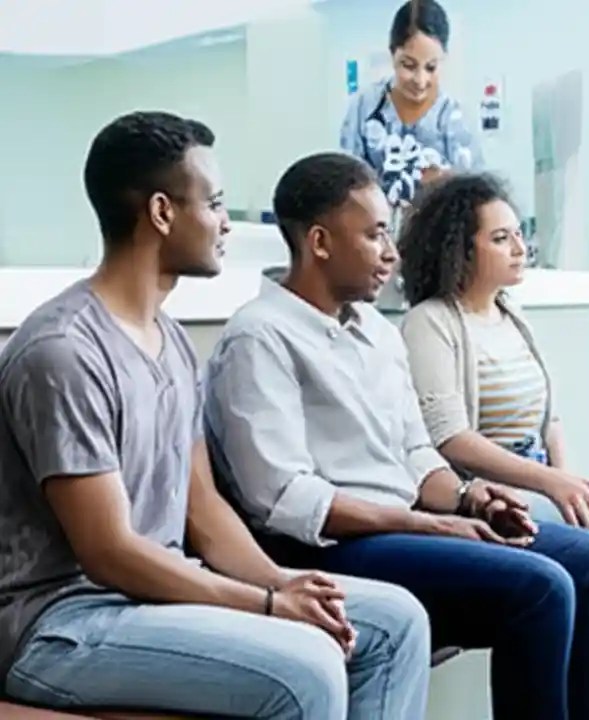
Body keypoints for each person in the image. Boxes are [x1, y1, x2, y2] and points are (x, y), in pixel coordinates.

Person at [0, 112, 430, 719]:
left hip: (152, 598)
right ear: (161, 212)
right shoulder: (63, 353)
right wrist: (265, 607)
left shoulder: (172, 342)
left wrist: (282, 584)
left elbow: (204, 510)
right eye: (216, 202)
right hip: (63, 620)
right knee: (304, 670)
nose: (227, 223)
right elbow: (109, 552)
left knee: (396, 623)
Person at [203, 151, 589, 720]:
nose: (392, 253)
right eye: (376, 235)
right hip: (330, 546)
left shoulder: (375, 331)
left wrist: (467, 497)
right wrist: (427, 522)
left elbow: (414, 451)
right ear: (320, 242)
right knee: (541, 588)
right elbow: (283, 499)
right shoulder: (259, 339)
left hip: (405, 527)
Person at [397, 173, 589, 577]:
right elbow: (451, 439)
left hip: (536, 475)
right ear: (462, 250)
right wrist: (549, 484)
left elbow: (550, 418)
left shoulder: (511, 314)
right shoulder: (429, 322)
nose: (520, 249)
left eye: (519, 234)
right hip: (487, 493)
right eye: (501, 238)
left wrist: (567, 480)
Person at [340, 0, 482, 212]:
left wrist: (443, 180)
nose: (420, 79)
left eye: (431, 67)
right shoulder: (364, 107)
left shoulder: (455, 116)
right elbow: (345, 181)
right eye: (408, 65)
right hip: (373, 233)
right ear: (392, 53)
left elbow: (475, 194)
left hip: (437, 234)